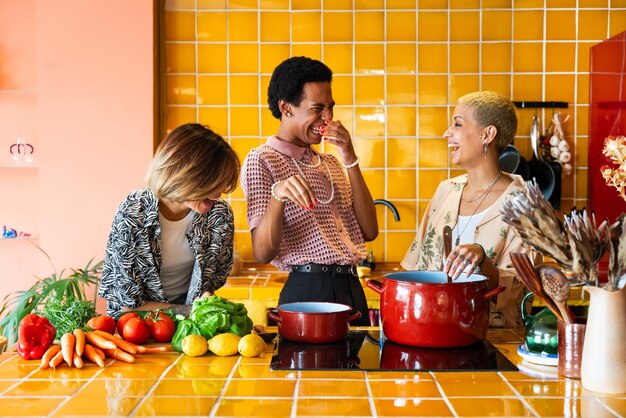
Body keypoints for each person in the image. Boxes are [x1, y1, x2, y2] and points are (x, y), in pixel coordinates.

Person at [241, 56, 378, 325]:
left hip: (351, 289)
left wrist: (349, 156)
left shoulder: (331, 163)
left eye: (330, 108)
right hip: (308, 290)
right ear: (286, 107)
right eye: (317, 108)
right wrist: (278, 195)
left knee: (356, 366)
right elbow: (262, 252)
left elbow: (369, 231)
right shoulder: (262, 160)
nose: (327, 118)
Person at [401, 91, 538, 328]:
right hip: (428, 331)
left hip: (488, 342)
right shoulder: (446, 191)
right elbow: (412, 268)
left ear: (488, 134)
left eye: (457, 124)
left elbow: (519, 293)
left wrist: (483, 260)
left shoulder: (524, 205)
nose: (447, 133)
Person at [99, 123, 240, 317]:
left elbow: (214, 280)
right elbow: (128, 304)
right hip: (135, 327)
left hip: (189, 328)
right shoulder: (134, 212)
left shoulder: (219, 216)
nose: (220, 193)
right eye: (214, 182)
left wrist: (204, 302)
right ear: (186, 175)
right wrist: (189, 311)